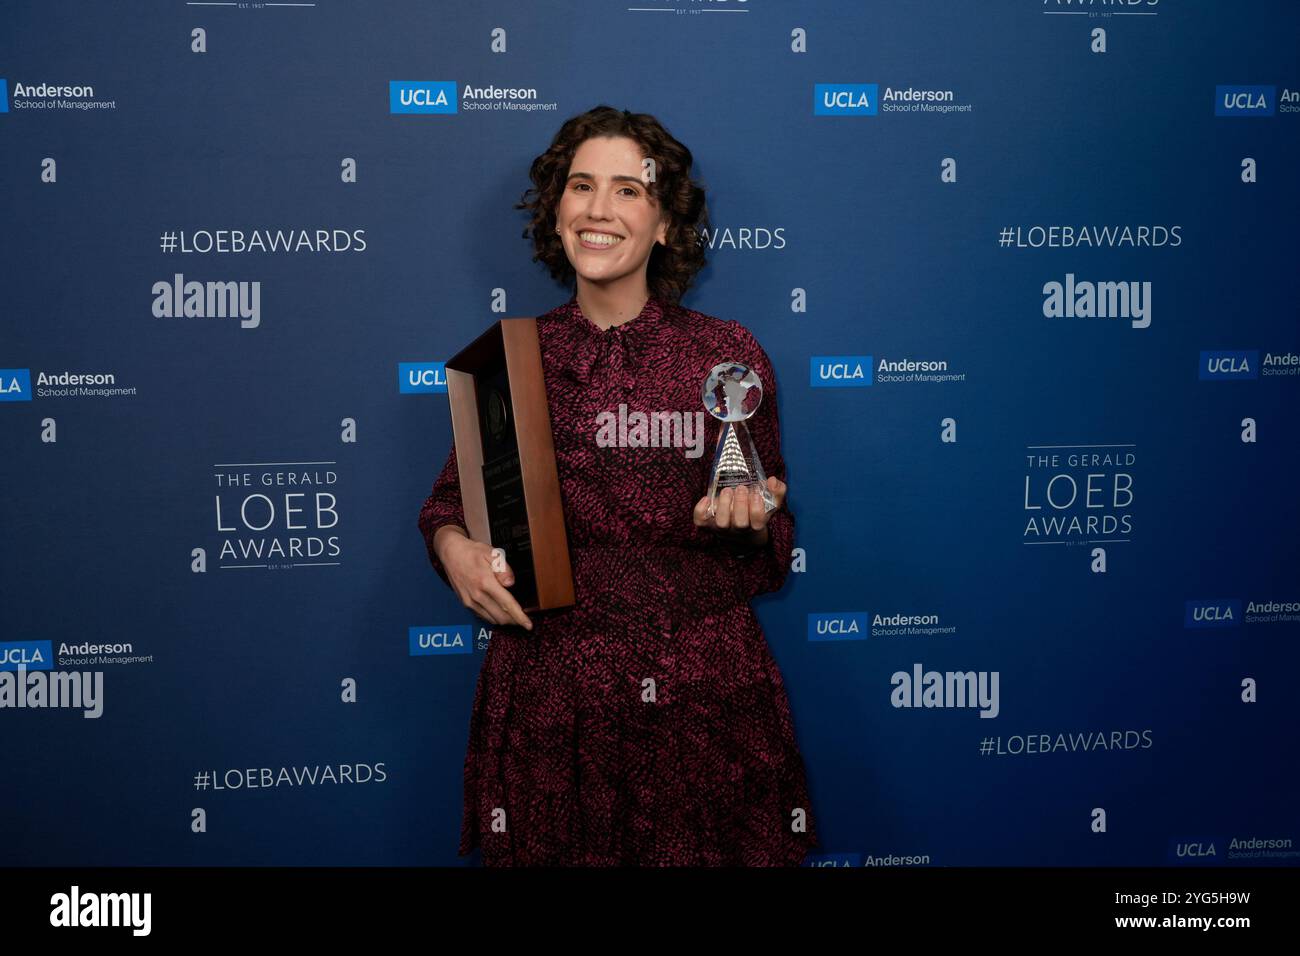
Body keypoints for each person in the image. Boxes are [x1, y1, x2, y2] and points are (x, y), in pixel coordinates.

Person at [418, 105, 819, 866]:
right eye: (580, 186)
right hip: (552, 698)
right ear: (556, 211)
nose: (599, 208)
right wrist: (456, 549)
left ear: (666, 222)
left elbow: (773, 524)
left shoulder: (725, 355)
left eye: (629, 190)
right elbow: (449, 505)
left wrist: (754, 520)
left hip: (700, 690)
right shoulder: (508, 359)